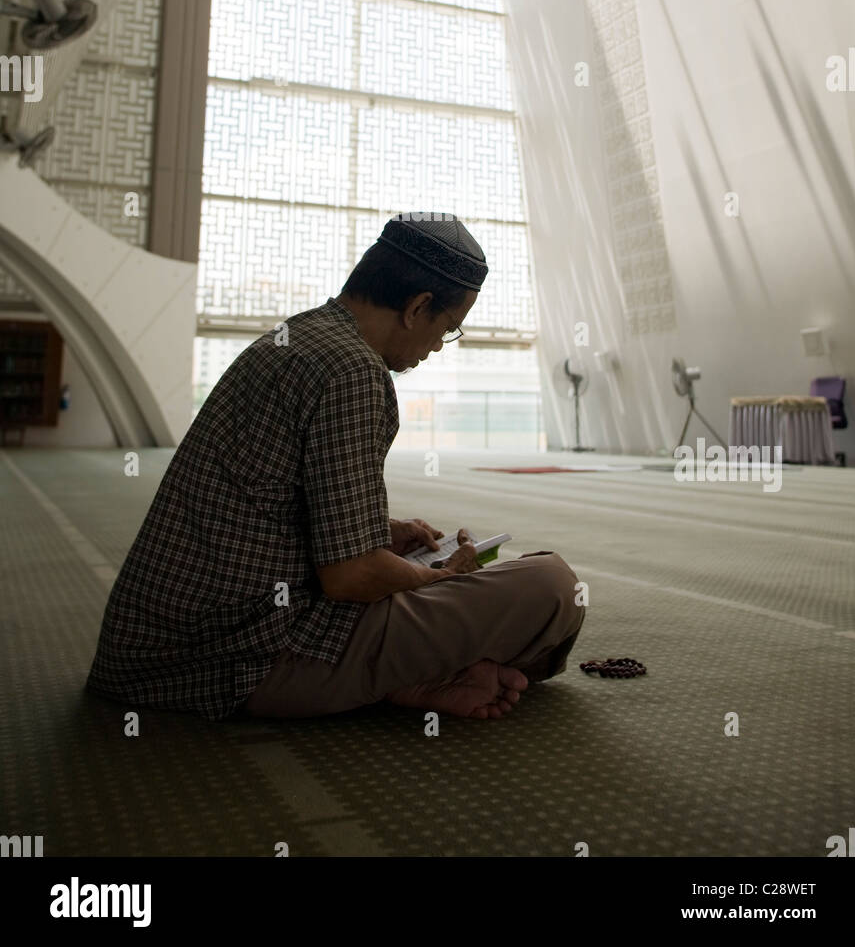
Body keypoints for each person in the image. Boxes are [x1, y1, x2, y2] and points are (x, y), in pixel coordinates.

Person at [87, 212, 585, 722]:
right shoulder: (353, 371)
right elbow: (350, 577)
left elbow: (267, 503)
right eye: (448, 329)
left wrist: (380, 532)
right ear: (417, 308)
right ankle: (403, 673)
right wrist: (440, 581)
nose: (438, 346)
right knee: (552, 586)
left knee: (445, 575)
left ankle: (415, 678)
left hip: (151, 648)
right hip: (236, 654)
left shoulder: (298, 336)